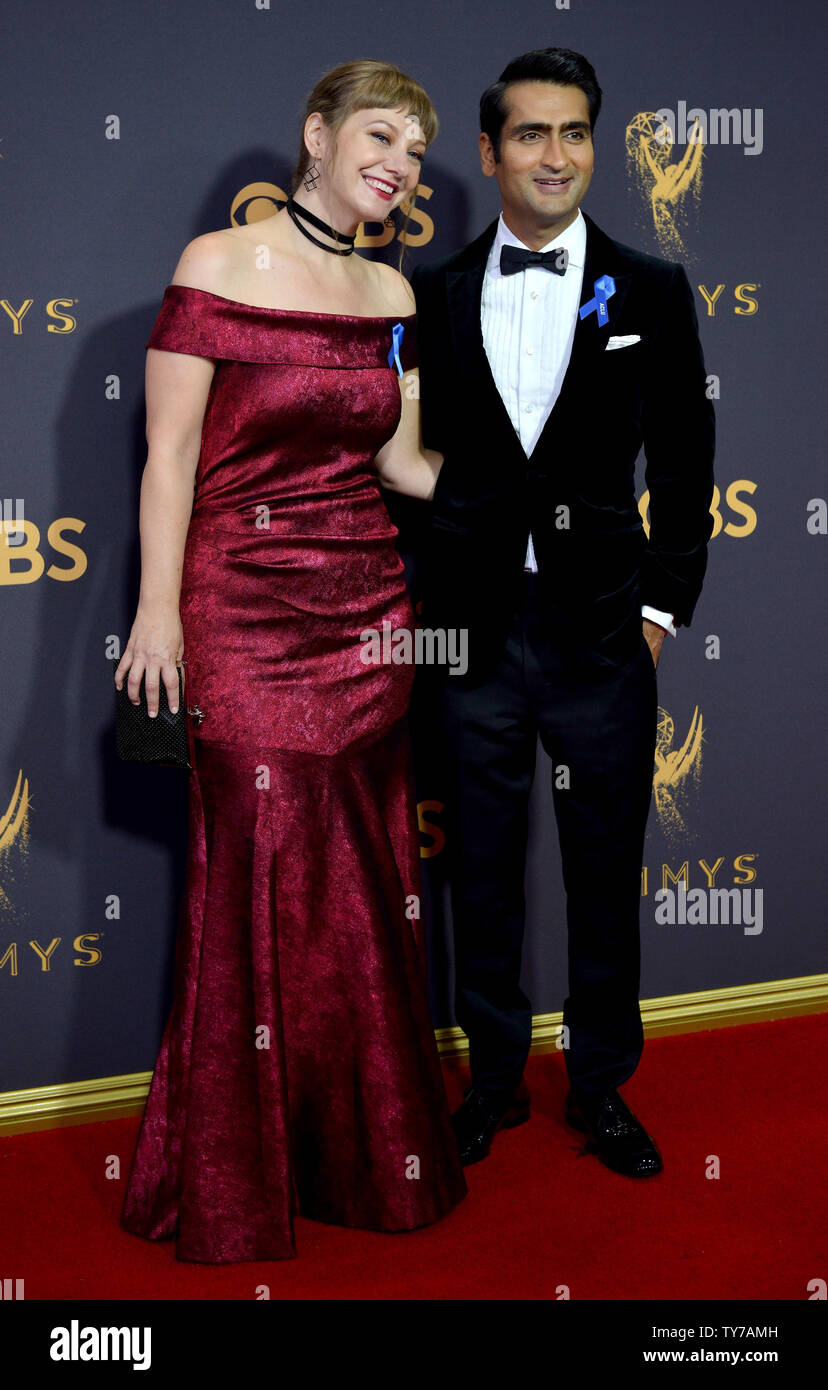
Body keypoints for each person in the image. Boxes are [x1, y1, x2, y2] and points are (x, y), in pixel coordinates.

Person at [116, 59, 466, 1264]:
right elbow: (168, 459)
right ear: (316, 134)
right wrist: (157, 614)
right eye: (381, 135)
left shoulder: (392, 290)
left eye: (416, 151)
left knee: (361, 880)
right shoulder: (217, 263)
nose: (400, 164)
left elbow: (405, 469)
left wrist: (539, 495)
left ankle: (359, 1154)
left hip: (369, 615)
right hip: (241, 612)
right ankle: (234, 1175)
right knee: (254, 863)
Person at [410, 47, 715, 1175]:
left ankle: (600, 1087)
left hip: (600, 637)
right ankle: (493, 1082)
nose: (556, 154)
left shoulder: (650, 287)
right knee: (479, 875)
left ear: (594, 146)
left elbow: (687, 462)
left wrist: (659, 610)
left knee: (602, 874)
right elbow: (407, 466)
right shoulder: (431, 292)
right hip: (474, 639)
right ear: (489, 154)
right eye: (531, 134)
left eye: (575, 132)